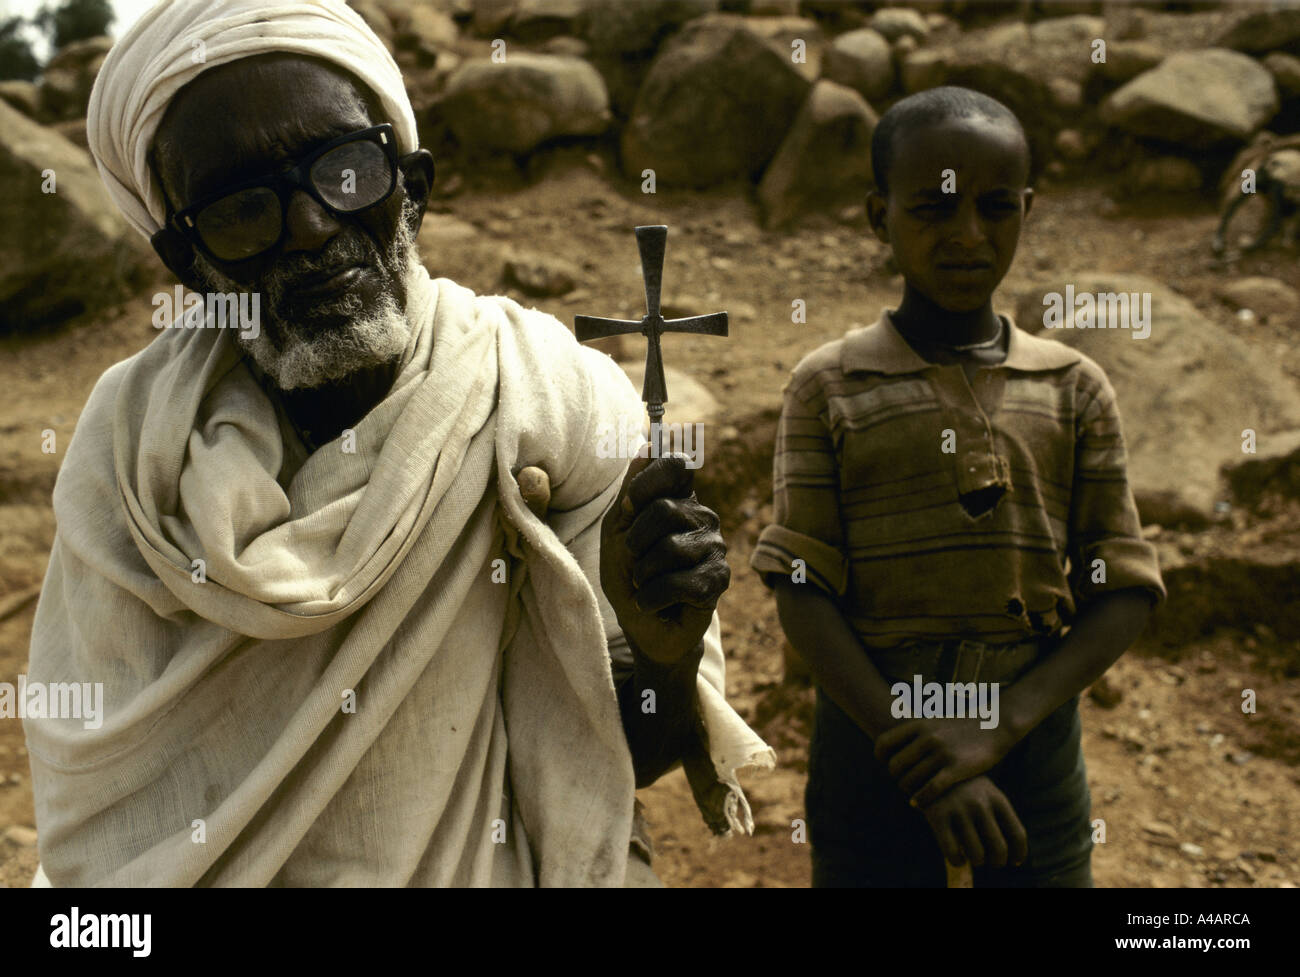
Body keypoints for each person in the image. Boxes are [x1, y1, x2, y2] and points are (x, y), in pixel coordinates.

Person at [24, 0, 772, 887]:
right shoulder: (130, 448)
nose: (310, 227)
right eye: (240, 207)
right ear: (187, 259)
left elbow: (634, 753)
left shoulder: (540, 390)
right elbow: (105, 827)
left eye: (345, 170)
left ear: (410, 185)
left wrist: (663, 650)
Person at [750, 87, 1165, 887]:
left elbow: (1124, 588)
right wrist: (926, 748)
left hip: (1032, 740)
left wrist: (1000, 725)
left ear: (1027, 209)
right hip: (876, 742)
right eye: (935, 210)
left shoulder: (1074, 388)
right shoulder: (829, 387)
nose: (969, 234)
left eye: (996, 207)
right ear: (880, 216)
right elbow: (801, 588)